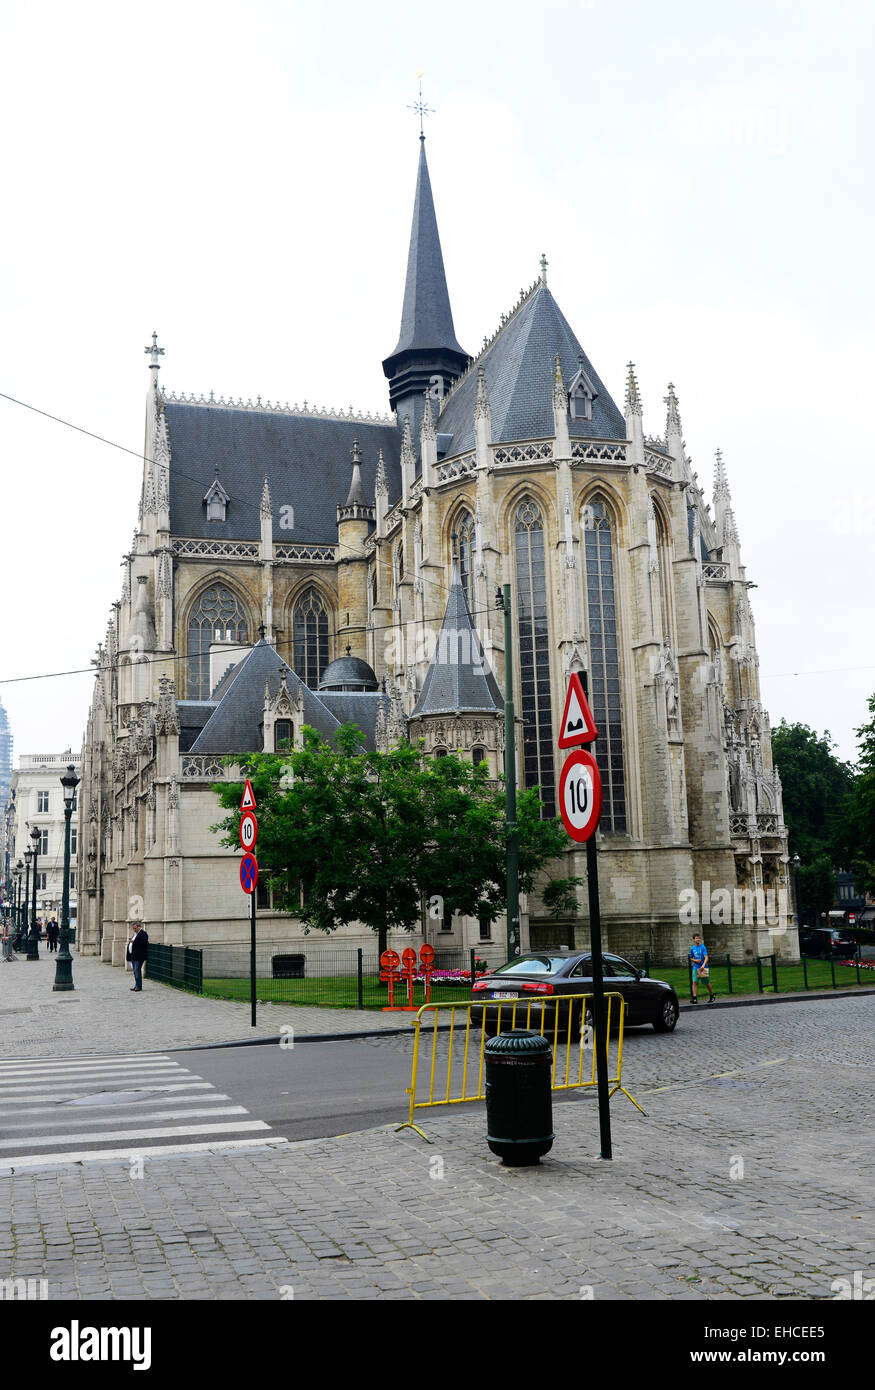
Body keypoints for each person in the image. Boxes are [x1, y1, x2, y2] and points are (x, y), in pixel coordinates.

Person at [689, 933, 715, 1003]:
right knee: (694, 982)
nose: (698, 939)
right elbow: (691, 957)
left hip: (703, 967)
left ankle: (712, 995)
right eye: (696, 938)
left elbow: (706, 957)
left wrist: (703, 966)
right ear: (694, 939)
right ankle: (694, 998)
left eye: (699, 938)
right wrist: (695, 960)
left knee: (706, 983)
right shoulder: (692, 948)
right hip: (696, 967)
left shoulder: (703, 947)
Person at [129, 922, 149, 992]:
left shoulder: (143, 933)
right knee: (135, 971)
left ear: (139, 927)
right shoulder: (135, 934)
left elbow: (144, 943)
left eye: (135, 928)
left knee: (137, 971)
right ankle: (136, 985)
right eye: (133, 928)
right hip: (133, 955)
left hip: (139, 956)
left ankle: (139, 987)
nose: (134, 930)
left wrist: (133, 942)